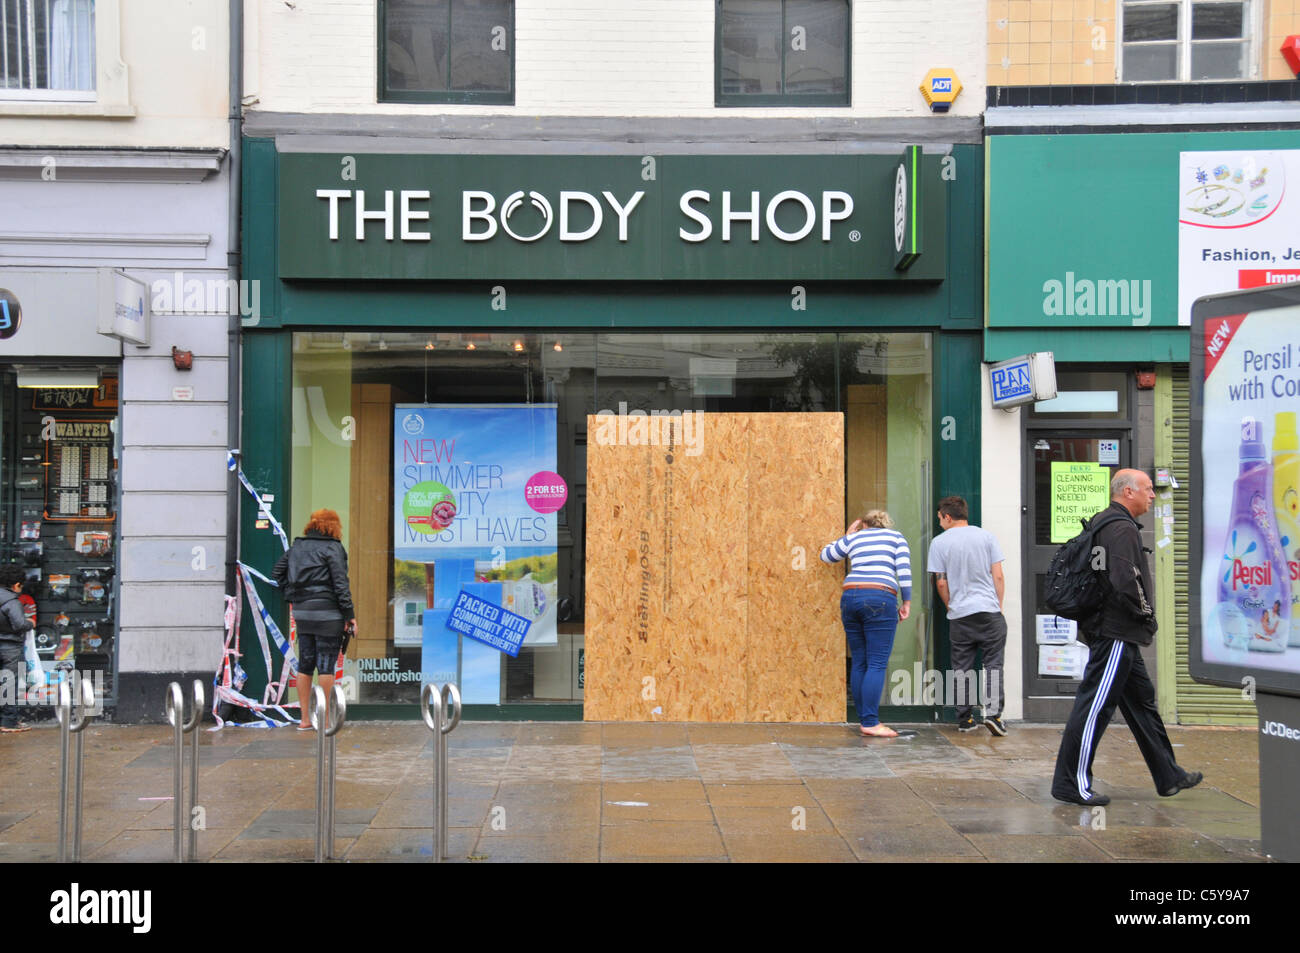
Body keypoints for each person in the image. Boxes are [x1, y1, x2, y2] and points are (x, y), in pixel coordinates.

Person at [1051, 469, 1202, 806]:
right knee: (1094, 707)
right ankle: (1070, 784)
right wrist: (1146, 612)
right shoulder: (1119, 528)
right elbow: (1125, 580)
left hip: (1119, 632)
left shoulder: (1108, 523)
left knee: (1142, 704)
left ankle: (1168, 775)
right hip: (1115, 632)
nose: (1153, 495)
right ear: (1128, 491)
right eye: (1148, 489)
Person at [821, 509, 912, 738]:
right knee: (877, 663)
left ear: (865, 525)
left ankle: (865, 718)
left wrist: (847, 535)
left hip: (850, 597)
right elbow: (904, 571)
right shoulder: (896, 537)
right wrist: (906, 601)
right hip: (880, 597)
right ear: (885, 524)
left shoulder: (855, 538)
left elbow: (826, 555)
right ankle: (870, 722)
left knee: (860, 661)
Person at [927, 495, 1008, 736]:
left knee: (962, 667)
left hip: (961, 614)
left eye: (940, 518)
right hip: (989, 611)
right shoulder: (986, 537)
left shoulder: (939, 543)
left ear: (948, 517)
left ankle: (965, 719)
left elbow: (941, 583)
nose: (939, 522)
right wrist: (998, 606)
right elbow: (999, 576)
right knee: (993, 665)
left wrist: (951, 605)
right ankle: (994, 715)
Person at [272, 509, 355, 731]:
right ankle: (326, 719)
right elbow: (340, 584)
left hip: (302, 612)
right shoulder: (333, 548)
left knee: (305, 665)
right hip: (328, 614)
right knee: (326, 666)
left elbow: (277, 572)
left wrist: (294, 594)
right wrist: (349, 615)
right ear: (334, 526)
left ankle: (305, 720)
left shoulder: (297, 546)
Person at [0, 565, 35, 733]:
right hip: (10, 648)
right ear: (16, 585)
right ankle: (8, 721)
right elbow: (20, 624)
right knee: (8, 684)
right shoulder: (12, 602)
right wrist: (31, 623)